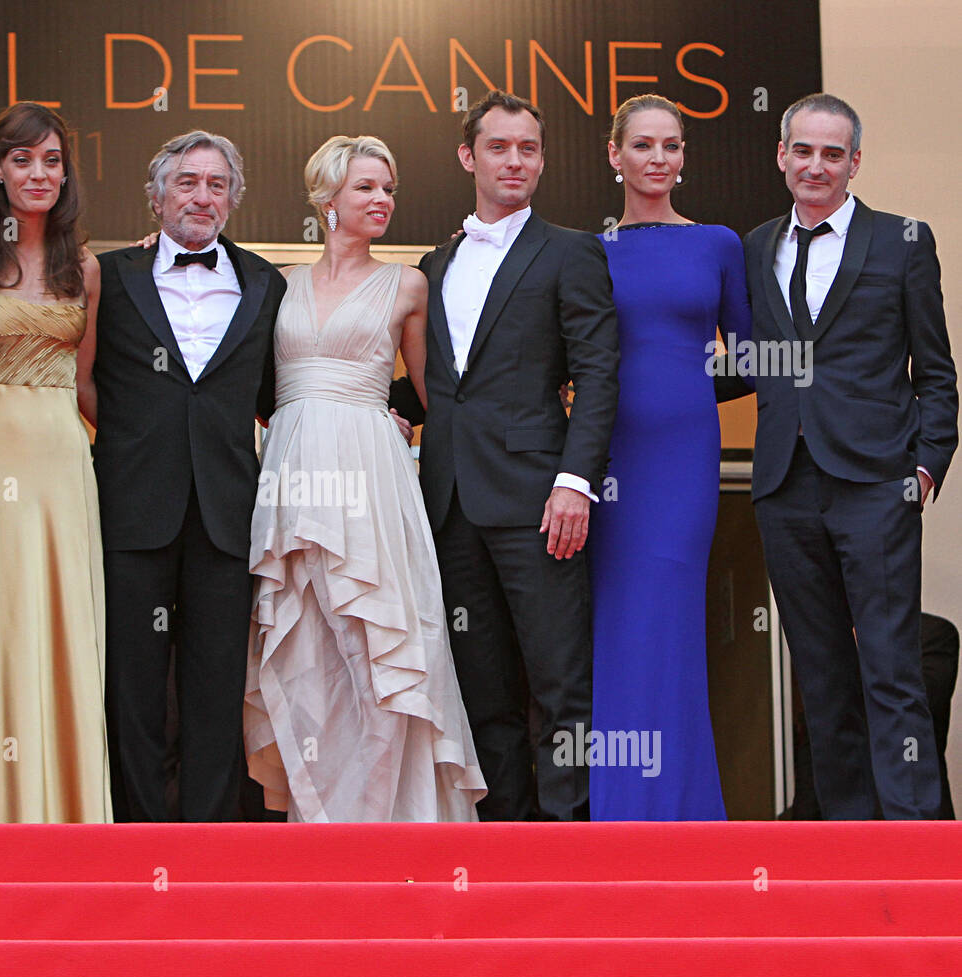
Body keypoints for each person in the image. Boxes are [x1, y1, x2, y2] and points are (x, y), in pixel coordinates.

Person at [392, 90, 621, 821]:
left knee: (561, 683)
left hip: (538, 501)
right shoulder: (437, 260)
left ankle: (568, 851)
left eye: (528, 148)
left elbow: (598, 372)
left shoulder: (571, 250)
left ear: (542, 159)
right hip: (451, 502)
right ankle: (503, 849)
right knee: (478, 685)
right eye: (499, 147)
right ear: (469, 157)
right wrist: (381, 410)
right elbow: (441, 384)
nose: (515, 160)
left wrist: (575, 483)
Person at [243, 136, 486, 822]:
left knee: (375, 641)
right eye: (366, 188)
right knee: (304, 641)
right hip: (291, 467)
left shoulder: (408, 283)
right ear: (327, 201)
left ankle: (384, 820)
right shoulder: (277, 282)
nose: (382, 200)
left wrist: (389, 418)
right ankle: (318, 818)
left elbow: (432, 391)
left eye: (389, 189)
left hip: (369, 473)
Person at [746, 93, 957, 820]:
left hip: (877, 485)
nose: (816, 165)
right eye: (802, 150)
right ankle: (846, 846)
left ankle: (915, 849)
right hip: (783, 485)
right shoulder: (754, 247)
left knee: (893, 669)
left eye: (832, 153)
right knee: (821, 673)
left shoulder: (902, 241)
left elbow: (935, 371)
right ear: (782, 156)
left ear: (854, 162)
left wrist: (925, 467)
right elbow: (748, 359)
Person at [93, 130, 285, 821]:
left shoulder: (267, 282)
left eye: (215, 184)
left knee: (216, 687)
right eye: (186, 182)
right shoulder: (109, 276)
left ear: (233, 198)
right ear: (155, 197)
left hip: (228, 514)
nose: (201, 196)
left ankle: (209, 841)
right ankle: (138, 836)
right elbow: (83, 383)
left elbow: (276, 396)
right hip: (131, 508)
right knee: (132, 688)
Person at [0, 102, 111, 823]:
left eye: (51, 160)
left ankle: (67, 811)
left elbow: (85, 384)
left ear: (66, 172)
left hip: (64, 460)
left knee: (66, 621)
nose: (38, 173)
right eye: (22, 159)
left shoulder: (87, 268)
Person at [587, 94, 751, 819]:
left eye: (672, 146)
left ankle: (682, 811)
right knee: (617, 624)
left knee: (670, 619)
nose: (658, 158)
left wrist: (685, 388)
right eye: (644, 145)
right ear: (614, 154)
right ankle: (618, 806)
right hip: (607, 454)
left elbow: (749, 357)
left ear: (683, 158)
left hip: (683, 457)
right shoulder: (590, 250)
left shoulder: (719, 244)